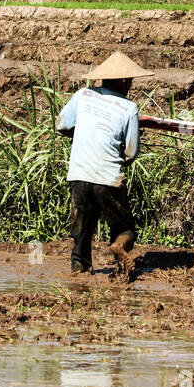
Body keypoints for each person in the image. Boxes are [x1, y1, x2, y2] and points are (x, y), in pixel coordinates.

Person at [54, 51, 154, 279]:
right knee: (125, 229)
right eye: (129, 80)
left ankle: (79, 273)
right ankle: (119, 248)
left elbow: (61, 125)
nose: (130, 84)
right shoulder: (129, 108)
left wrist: (85, 137)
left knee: (82, 231)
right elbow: (131, 153)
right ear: (122, 81)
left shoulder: (82, 95)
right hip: (108, 178)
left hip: (79, 175)